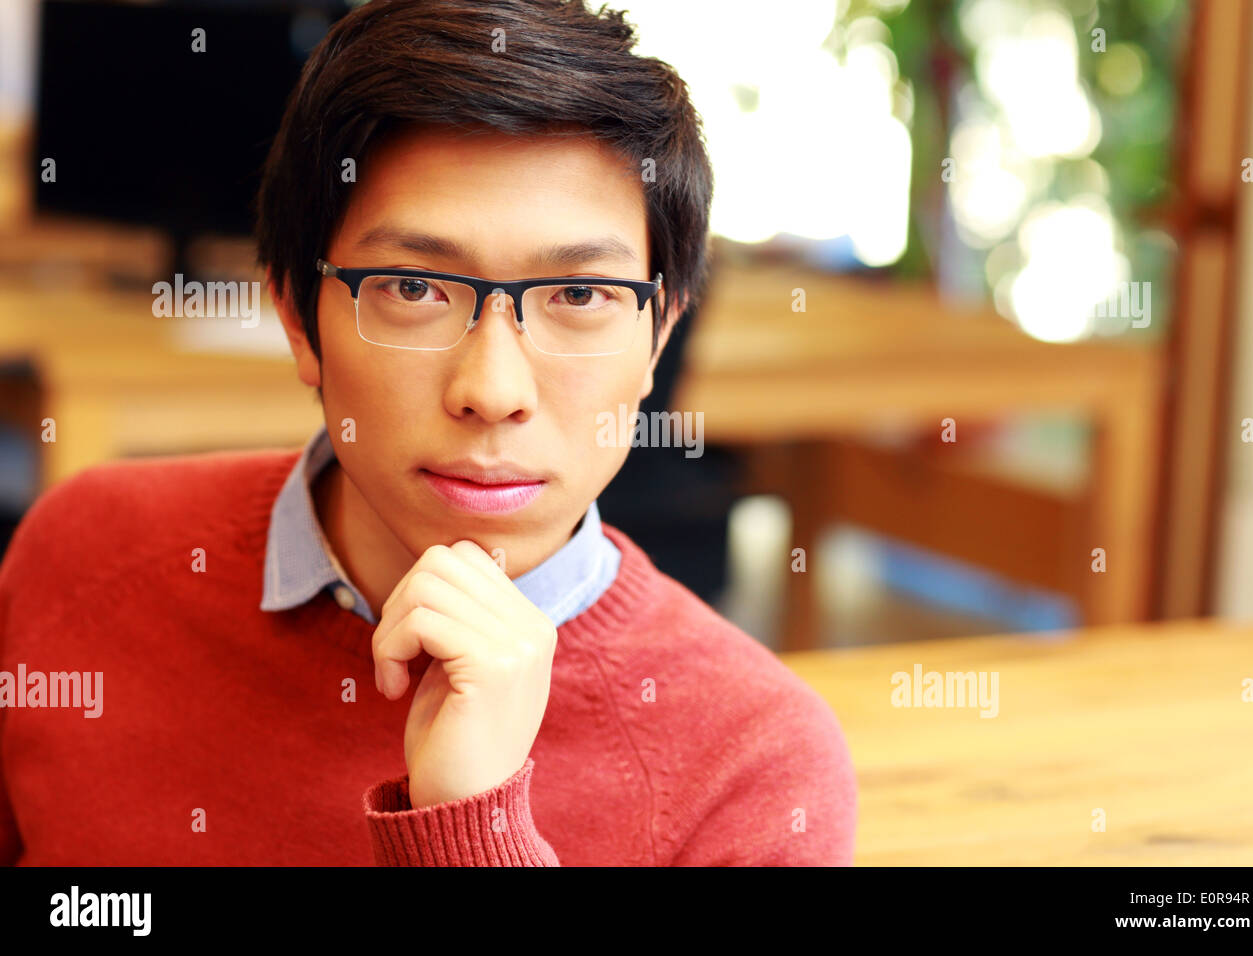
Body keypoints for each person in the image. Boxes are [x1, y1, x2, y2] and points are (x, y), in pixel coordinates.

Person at [0, 0, 856, 866]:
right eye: (413, 288)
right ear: (299, 317)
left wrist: (475, 827)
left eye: (580, 296)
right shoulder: (86, 554)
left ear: (657, 338)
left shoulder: (757, 770)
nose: (492, 390)